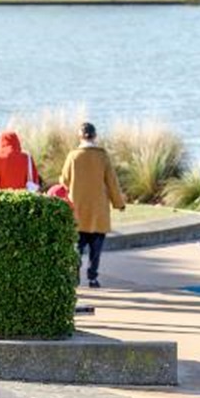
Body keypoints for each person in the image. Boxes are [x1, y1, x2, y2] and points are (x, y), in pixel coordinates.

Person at [61, 122, 126, 288]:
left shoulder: (73, 156)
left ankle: (74, 278)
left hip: (78, 209)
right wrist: (118, 203)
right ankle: (92, 277)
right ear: (95, 136)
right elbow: (112, 182)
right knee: (95, 250)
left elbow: (64, 180)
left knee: (77, 247)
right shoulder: (102, 156)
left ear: (80, 136)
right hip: (98, 210)